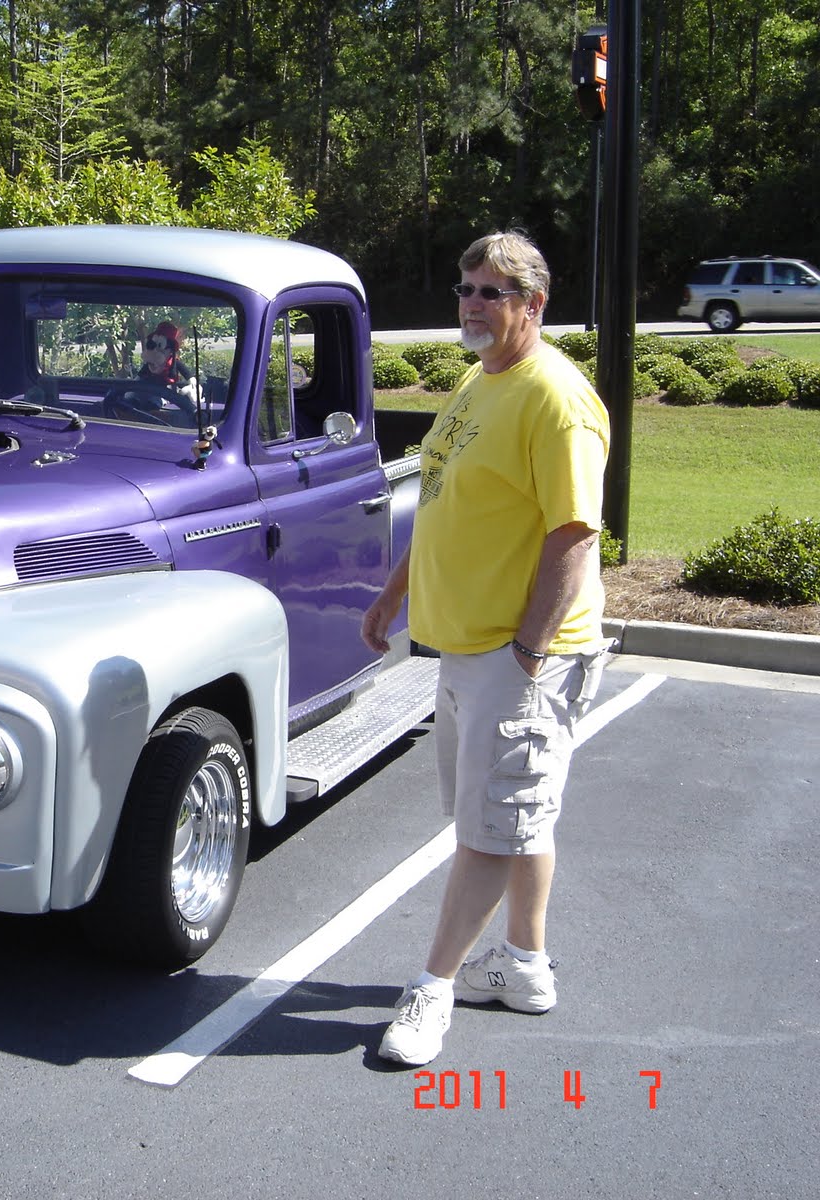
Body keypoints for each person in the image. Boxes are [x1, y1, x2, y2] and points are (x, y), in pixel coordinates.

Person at [360, 230, 612, 1067]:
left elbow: (575, 534)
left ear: (533, 305)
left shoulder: (555, 398)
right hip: (468, 650)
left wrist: (530, 656)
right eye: (466, 289)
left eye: (492, 292)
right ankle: (526, 966)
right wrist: (394, 596)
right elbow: (440, 503)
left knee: (487, 833)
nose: (472, 304)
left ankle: (432, 992)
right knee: (510, 817)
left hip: (519, 656)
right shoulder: (479, 381)